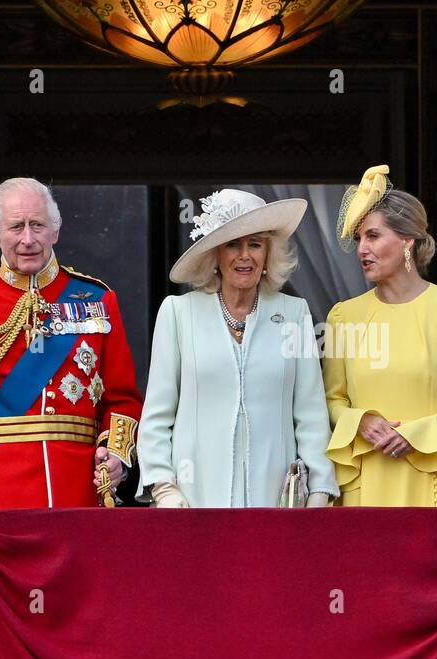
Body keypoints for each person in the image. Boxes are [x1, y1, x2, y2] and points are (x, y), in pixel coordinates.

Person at [0, 177, 142, 508]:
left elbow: (122, 397)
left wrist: (116, 456)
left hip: (77, 489)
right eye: (16, 227)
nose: (28, 239)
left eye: (37, 225)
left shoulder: (98, 298)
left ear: (55, 230)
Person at [136, 189, 338, 508]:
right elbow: (157, 415)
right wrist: (164, 488)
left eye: (255, 244)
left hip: (275, 503)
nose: (244, 255)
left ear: (268, 254)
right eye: (233, 244)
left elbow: (310, 412)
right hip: (193, 501)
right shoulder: (178, 313)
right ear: (215, 255)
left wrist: (319, 490)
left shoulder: (294, 313)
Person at [324, 164, 437, 506]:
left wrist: (418, 435)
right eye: (359, 239)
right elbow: (332, 400)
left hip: (435, 478)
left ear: (407, 240)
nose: (361, 249)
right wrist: (360, 421)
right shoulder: (343, 317)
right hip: (367, 481)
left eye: (373, 236)